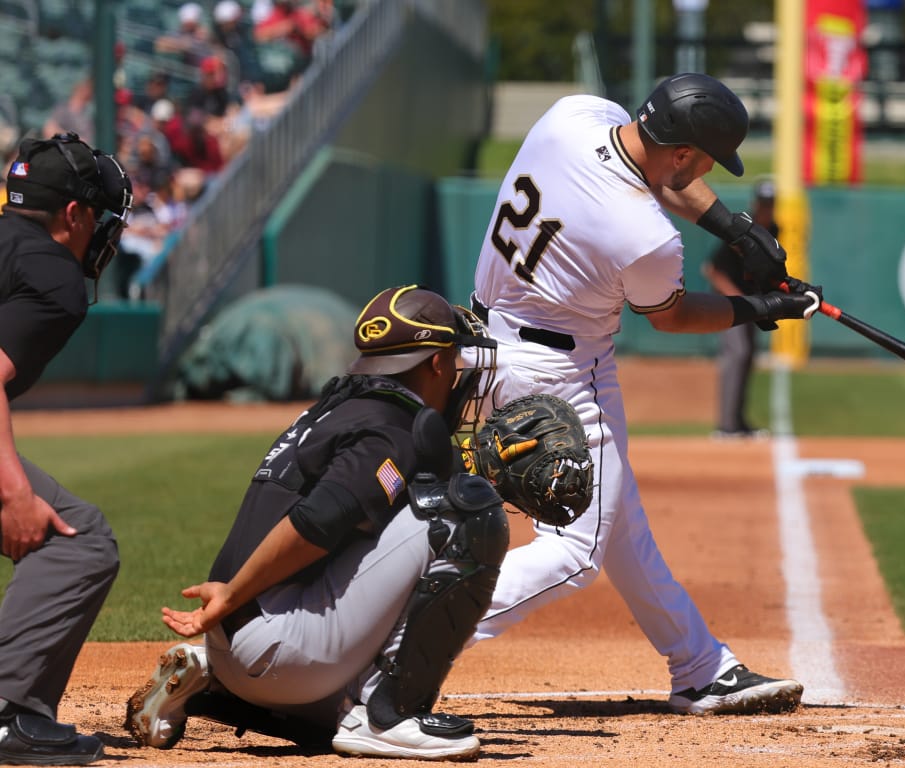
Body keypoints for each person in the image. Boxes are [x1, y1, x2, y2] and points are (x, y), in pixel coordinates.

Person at [467, 72, 819, 715]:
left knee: (619, 517)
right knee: (577, 551)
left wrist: (737, 232)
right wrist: (760, 306)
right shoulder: (644, 235)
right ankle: (396, 636)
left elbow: (659, 174)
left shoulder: (574, 114)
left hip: (486, 343)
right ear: (684, 152)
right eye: (707, 157)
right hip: (562, 374)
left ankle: (700, 666)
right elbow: (673, 316)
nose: (710, 168)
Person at [124, 285, 515, 760]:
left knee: (414, 510)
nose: (456, 374)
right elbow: (317, 520)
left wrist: (232, 599)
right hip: (278, 648)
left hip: (243, 643)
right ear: (435, 363)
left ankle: (217, 683)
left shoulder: (341, 407)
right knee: (468, 515)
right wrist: (232, 594)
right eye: (453, 359)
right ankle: (385, 715)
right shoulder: (391, 428)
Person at [0, 132, 134, 765]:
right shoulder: (54, 274)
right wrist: (13, 492)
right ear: (75, 215)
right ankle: (7, 714)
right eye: (101, 218)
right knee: (76, 543)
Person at [703, 176, 777, 438]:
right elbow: (712, 270)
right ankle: (726, 427)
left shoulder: (774, 230)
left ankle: (739, 422)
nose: (767, 208)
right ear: (755, 203)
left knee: (747, 357)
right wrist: (738, 300)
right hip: (731, 304)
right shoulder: (743, 230)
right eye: (764, 203)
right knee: (737, 354)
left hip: (752, 304)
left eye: (771, 204)